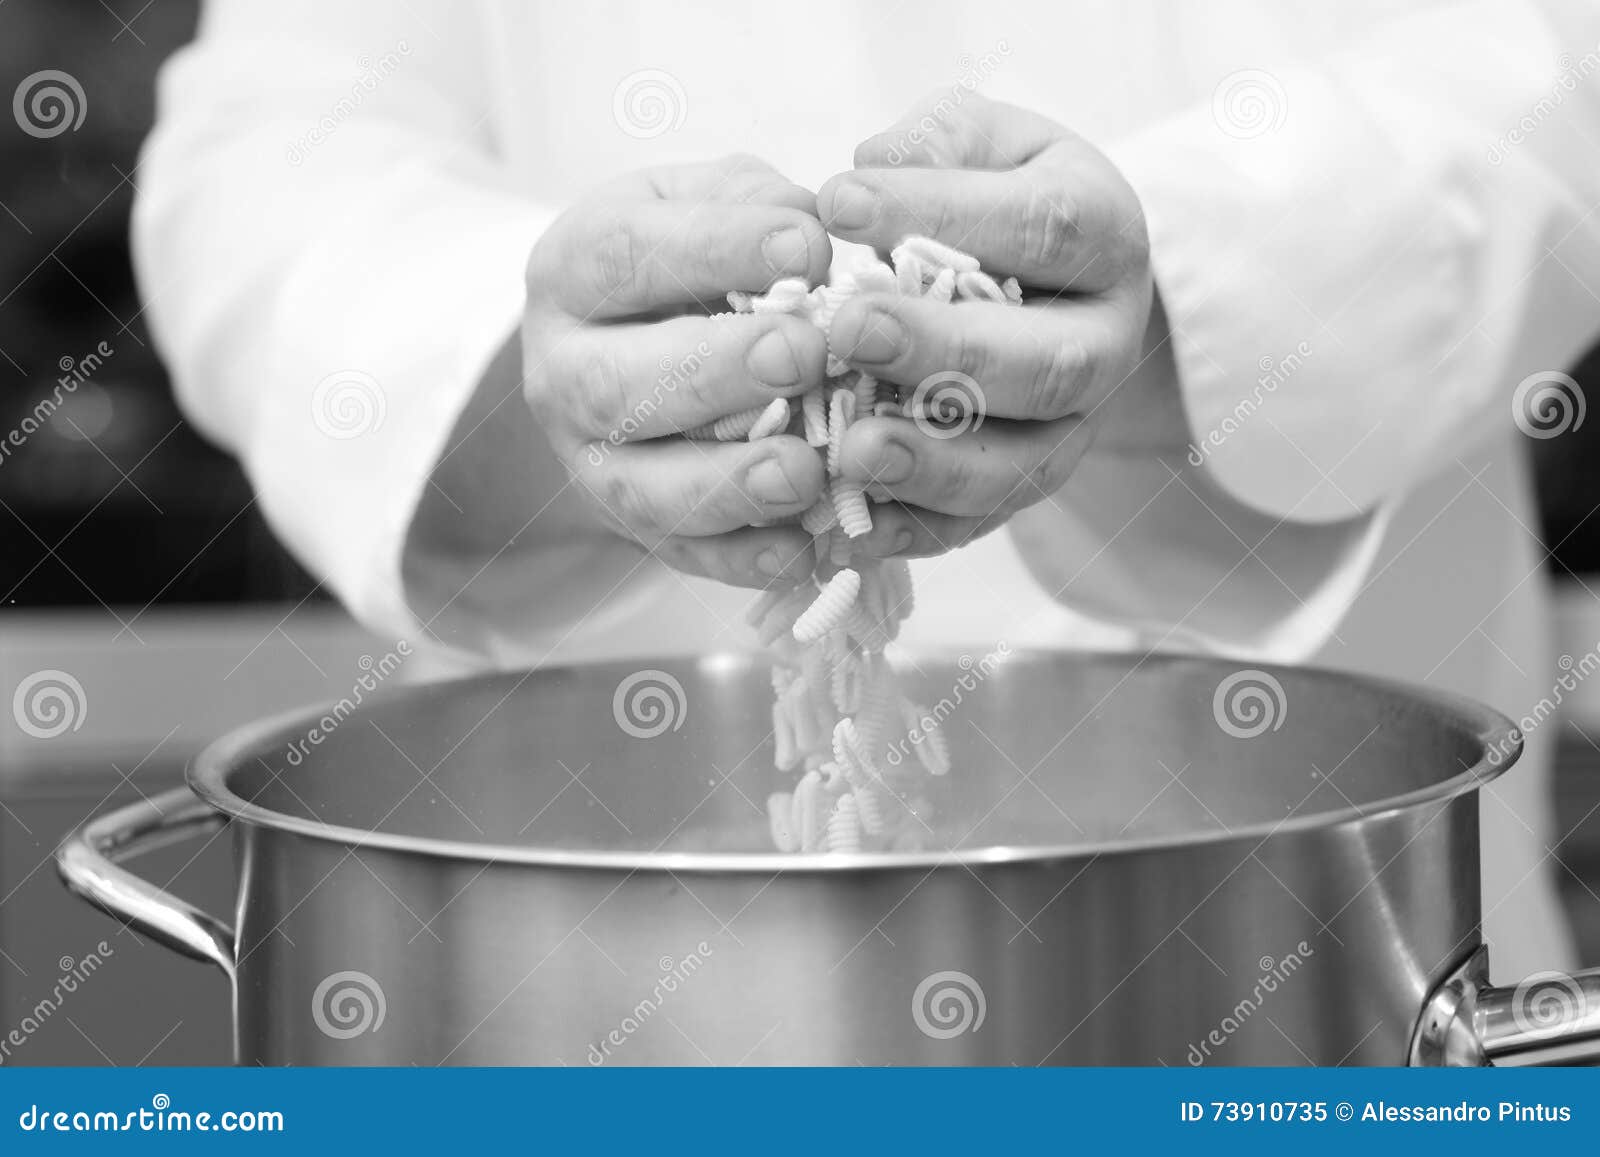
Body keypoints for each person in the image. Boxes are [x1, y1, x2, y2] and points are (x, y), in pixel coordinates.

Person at [134, 0, 1600, 984]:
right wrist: (541, 370)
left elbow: (1542, 59)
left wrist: (1196, 300)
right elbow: (269, 151)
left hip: (1327, 959)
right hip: (592, 972)